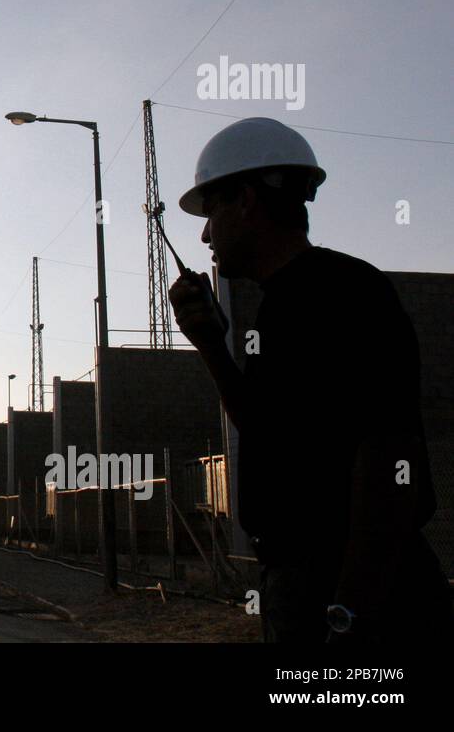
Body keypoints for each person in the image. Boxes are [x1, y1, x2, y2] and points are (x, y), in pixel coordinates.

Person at [167, 117, 451, 643]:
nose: (205, 234)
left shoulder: (340, 294)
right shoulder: (283, 307)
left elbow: (390, 454)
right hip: (308, 585)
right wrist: (210, 343)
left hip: (355, 592)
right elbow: (263, 428)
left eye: (212, 213)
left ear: (247, 199)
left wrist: (348, 610)